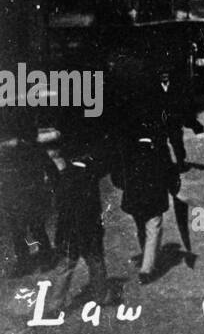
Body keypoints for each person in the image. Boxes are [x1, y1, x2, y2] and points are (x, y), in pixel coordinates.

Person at [42, 130, 111, 309]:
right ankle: (102, 296)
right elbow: (94, 205)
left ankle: (55, 305)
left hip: (70, 230)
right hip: (89, 228)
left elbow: (61, 206)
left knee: (66, 267)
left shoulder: (62, 178)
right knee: (95, 261)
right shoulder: (90, 175)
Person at [113, 131, 179, 285]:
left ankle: (147, 257)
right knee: (153, 230)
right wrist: (172, 189)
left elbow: (116, 177)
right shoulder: (160, 150)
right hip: (154, 199)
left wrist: (128, 187)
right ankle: (147, 269)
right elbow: (170, 173)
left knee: (141, 228)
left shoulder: (127, 151)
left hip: (134, 199)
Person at [1, 131, 54, 277]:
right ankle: (35, 260)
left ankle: (40, 259)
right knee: (22, 229)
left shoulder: (26, 147)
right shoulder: (24, 147)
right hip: (15, 193)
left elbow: (43, 168)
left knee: (29, 227)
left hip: (26, 192)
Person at [151, 65, 204, 170]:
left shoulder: (176, 87)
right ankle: (165, 164)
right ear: (159, 76)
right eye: (162, 74)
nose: (165, 76)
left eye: (166, 74)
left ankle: (181, 162)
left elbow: (182, 104)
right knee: (160, 143)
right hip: (160, 121)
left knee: (177, 142)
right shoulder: (154, 88)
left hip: (174, 120)